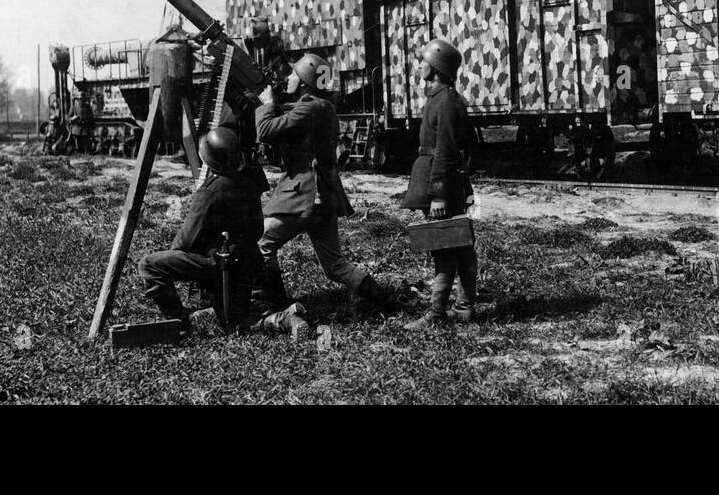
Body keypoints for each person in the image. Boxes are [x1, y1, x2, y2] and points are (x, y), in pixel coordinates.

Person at [138, 125, 309, 340]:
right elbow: (257, 231)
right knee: (235, 324)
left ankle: (179, 323)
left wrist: (182, 257)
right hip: (246, 265)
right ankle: (283, 319)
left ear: (208, 160)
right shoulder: (249, 184)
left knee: (149, 265)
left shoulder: (210, 191)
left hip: (218, 266)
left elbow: (186, 240)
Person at [254, 53, 394, 311]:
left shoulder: (309, 107)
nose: (288, 77)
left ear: (306, 81)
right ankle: (384, 300)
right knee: (335, 266)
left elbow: (265, 131)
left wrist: (266, 103)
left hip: (305, 195)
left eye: (293, 73)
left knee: (260, 244)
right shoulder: (321, 107)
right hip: (324, 198)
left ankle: (274, 304)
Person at [403, 37, 478, 330]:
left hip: (442, 185)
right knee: (458, 245)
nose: (420, 66)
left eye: (425, 62)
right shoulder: (441, 98)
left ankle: (437, 313)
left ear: (436, 68)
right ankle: (464, 307)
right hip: (447, 182)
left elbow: (446, 151)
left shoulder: (445, 102)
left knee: (446, 246)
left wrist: (439, 195)